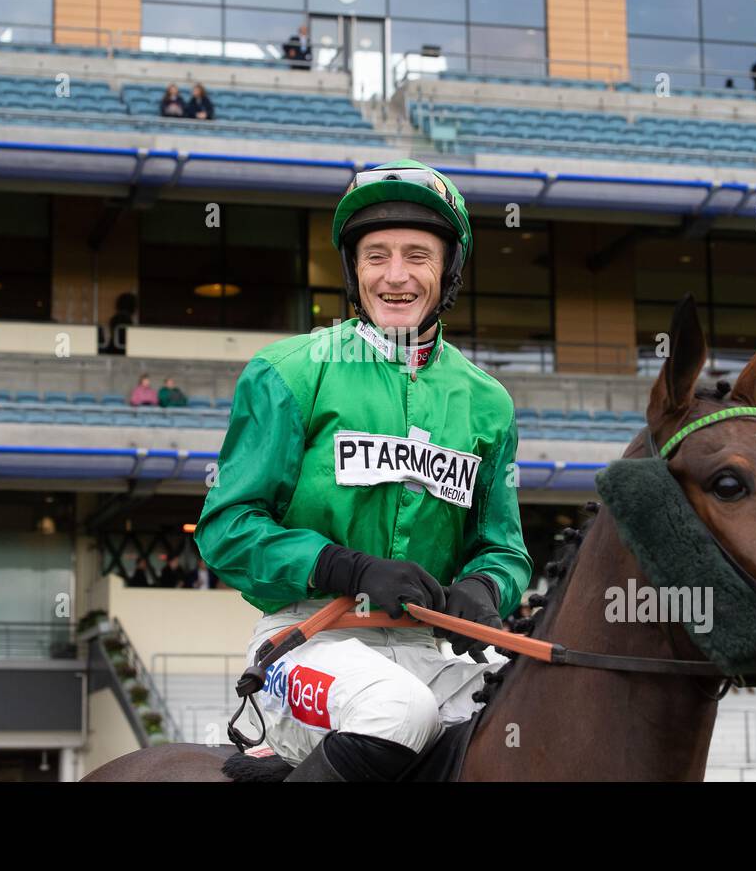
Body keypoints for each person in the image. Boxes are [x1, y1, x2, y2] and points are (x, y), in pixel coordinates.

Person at [195, 159, 531, 781]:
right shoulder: (289, 372)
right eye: (376, 256)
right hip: (302, 642)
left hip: (435, 651)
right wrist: (346, 566)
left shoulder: (489, 402)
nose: (396, 276)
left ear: (448, 270)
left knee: (538, 722)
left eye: (417, 256)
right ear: (353, 270)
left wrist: (484, 590)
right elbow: (227, 528)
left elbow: (503, 549)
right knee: (396, 709)